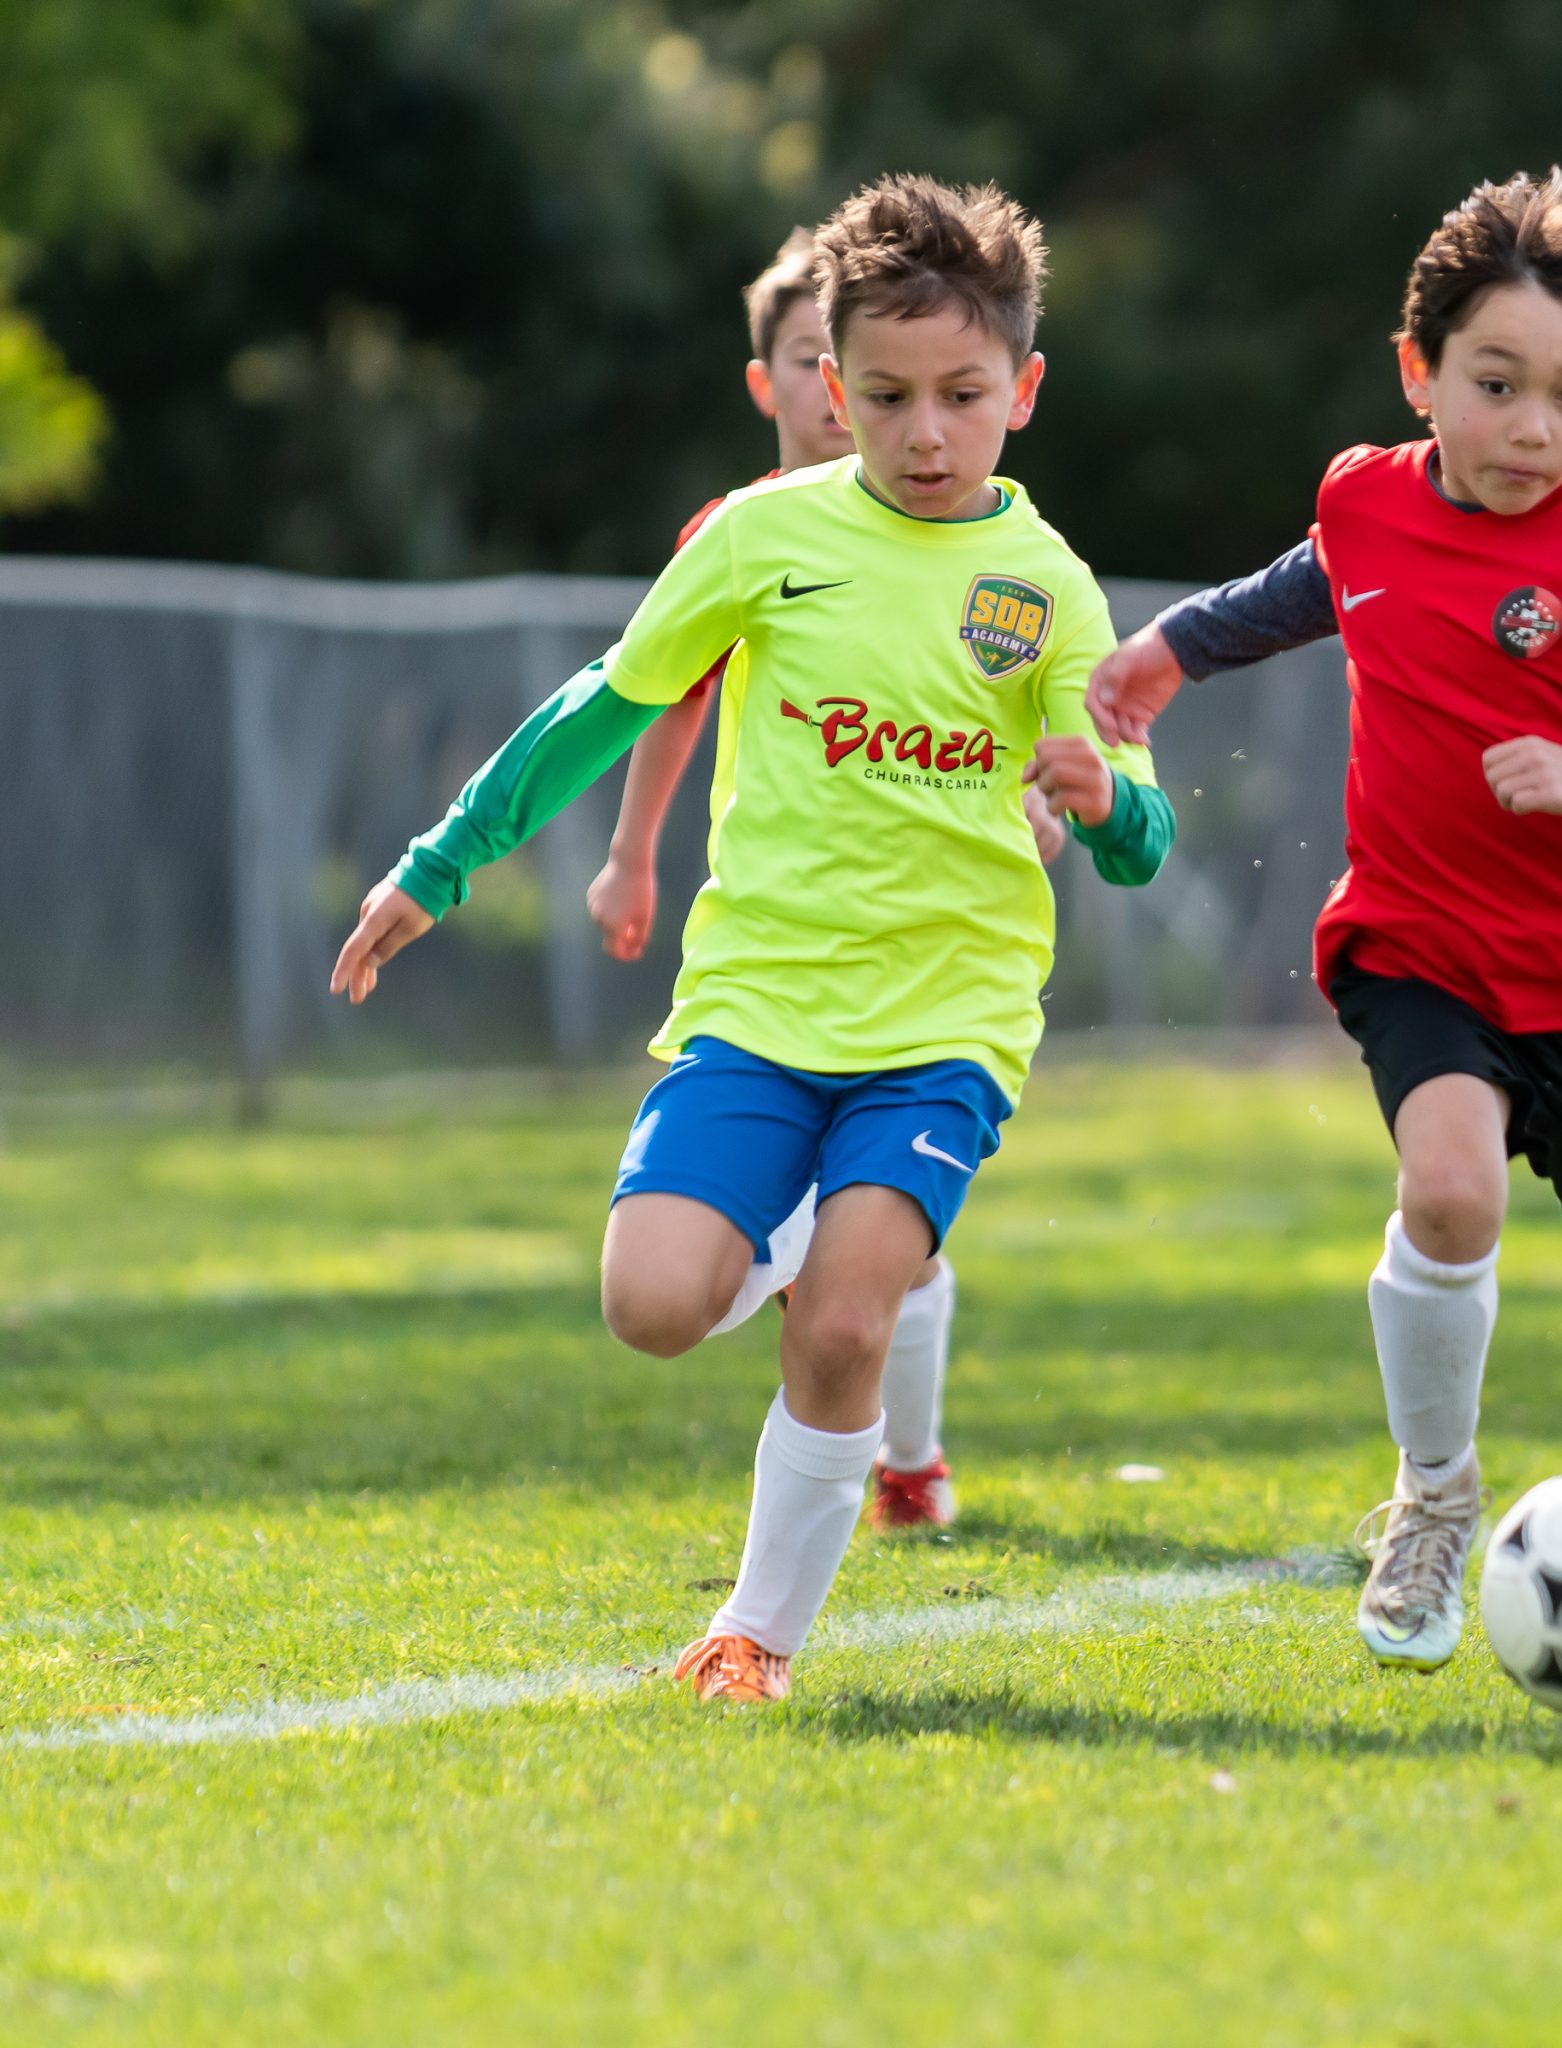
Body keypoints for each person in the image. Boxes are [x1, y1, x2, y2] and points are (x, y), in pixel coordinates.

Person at [330, 173, 1175, 1704]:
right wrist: (442, 863)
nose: (926, 433)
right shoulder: (760, 537)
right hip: (760, 1008)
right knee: (650, 1308)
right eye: (886, 396)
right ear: (829, 388)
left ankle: (755, 1635)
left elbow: (1143, 837)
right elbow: (610, 704)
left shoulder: (1048, 590)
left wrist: (1109, 802)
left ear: (1025, 388)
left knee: (847, 1327)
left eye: (963, 396)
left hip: (947, 1025)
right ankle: (785, 1231)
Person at [1086, 168, 1562, 1688]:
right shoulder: (1364, 495)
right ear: (1418, 373)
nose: (1532, 428)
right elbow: (1318, 580)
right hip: (1416, 942)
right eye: (1495, 385)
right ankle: (1431, 1500)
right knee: (1452, 1196)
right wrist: (1170, 650)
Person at [583, 228, 1071, 1533]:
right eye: (825, 367)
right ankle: (873, 1414)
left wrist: (1044, 799)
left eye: (949, 390)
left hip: (931, 979)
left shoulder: (1013, 562)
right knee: (759, 1270)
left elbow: (1034, 722)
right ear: (798, 383)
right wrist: (630, 853)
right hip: (786, 956)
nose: (891, 412)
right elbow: (662, 698)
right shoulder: (749, 535)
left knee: (878, 1261)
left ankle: (910, 1459)